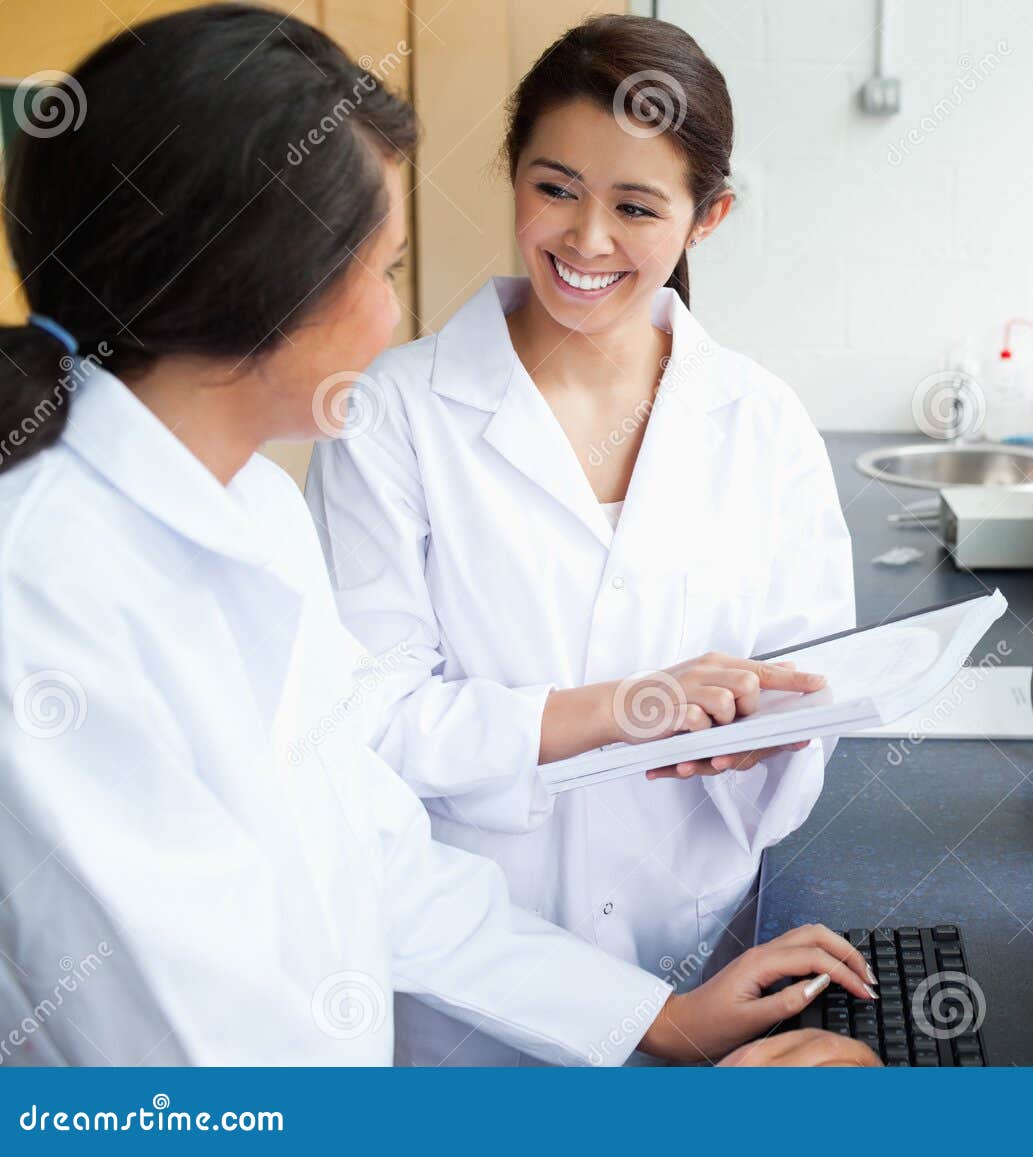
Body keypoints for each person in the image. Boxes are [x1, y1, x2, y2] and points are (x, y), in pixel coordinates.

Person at [0, 3, 874, 1068]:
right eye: (385, 268)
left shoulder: (251, 514)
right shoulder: (42, 594)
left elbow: (377, 857)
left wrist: (655, 1017)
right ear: (262, 286)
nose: (391, 312)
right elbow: (211, 1078)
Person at [303, 15, 856, 1065]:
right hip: (464, 1005)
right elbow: (366, 720)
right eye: (554, 188)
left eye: (636, 206)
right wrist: (611, 711)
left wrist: (774, 728)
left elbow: (813, 672)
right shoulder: (392, 413)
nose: (585, 239)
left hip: (701, 953)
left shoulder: (761, 418)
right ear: (512, 177)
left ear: (709, 217)